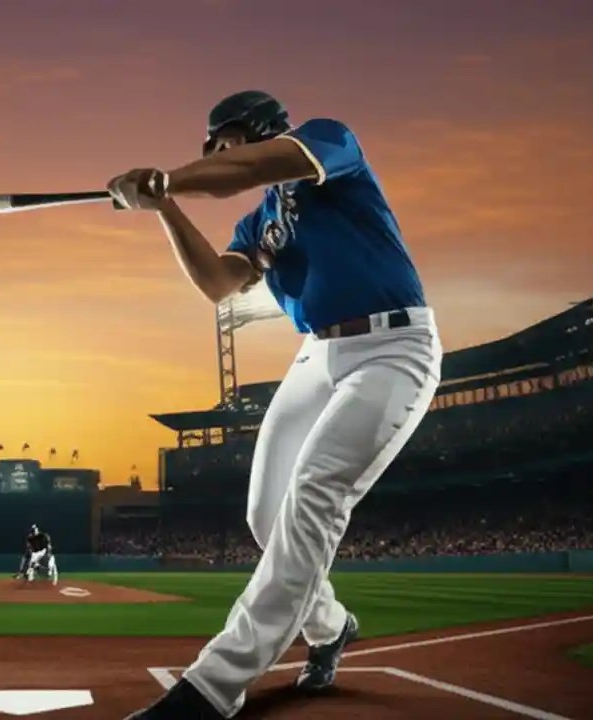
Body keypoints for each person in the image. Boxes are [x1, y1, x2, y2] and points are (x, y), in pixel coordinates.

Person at [110, 90, 442, 719]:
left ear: (259, 129)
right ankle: (331, 626)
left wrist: (164, 179)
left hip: (393, 349)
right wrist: (165, 206)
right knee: (267, 519)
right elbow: (216, 283)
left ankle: (212, 687)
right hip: (319, 356)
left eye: (224, 142)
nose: (218, 155)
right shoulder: (260, 223)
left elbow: (251, 168)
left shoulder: (327, 142)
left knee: (314, 496)